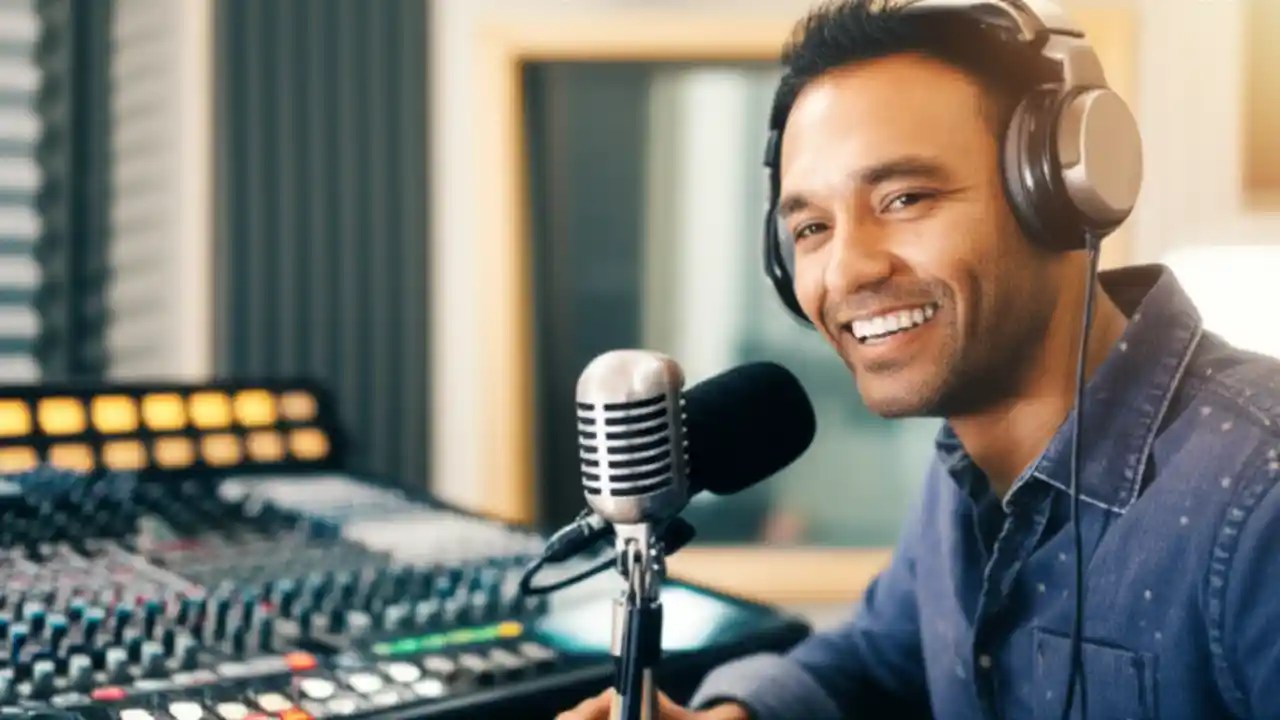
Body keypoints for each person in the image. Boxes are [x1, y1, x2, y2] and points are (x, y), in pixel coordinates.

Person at [559, 0, 1280, 718]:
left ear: (1060, 194)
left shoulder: (1258, 504)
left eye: (905, 198)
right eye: (811, 227)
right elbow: (879, 658)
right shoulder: (963, 472)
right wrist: (733, 717)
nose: (846, 273)